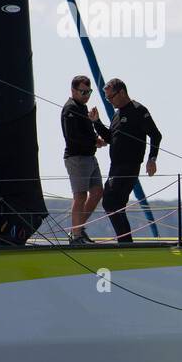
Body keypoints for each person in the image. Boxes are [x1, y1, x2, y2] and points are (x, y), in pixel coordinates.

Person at [92, 78, 162, 243]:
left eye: (111, 97)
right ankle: (124, 242)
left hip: (129, 166)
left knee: (109, 202)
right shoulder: (117, 114)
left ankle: (124, 242)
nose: (109, 101)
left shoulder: (138, 110)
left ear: (122, 92)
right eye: (107, 98)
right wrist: (96, 122)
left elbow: (156, 135)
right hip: (115, 167)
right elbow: (110, 138)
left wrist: (152, 159)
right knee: (115, 205)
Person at [61, 76, 104, 245]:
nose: (86, 95)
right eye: (83, 92)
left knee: (97, 192)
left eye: (89, 92)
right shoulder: (70, 109)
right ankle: (76, 235)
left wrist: (96, 139)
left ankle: (78, 229)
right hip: (76, 158)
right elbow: (72, 137)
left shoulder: (82, 107)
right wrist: (94, 141)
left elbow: (85, 132)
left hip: (89, 157)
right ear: (73, 90)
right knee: (80, 195)